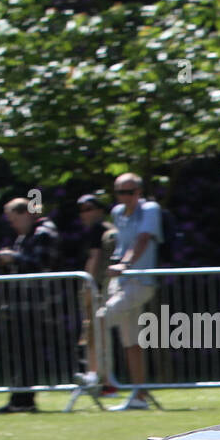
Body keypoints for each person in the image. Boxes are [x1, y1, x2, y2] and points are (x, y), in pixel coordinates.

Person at [98, 172, 163, 410]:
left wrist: (125, 264)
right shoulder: (117, 213)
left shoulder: (150, 209)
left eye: (129, 192)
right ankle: (139, 396)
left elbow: (143, 240)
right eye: (120, 192)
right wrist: (116, 263)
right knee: (132, 341)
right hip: (121, 282)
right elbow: (122, 245)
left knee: (102, 319)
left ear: (138, 192)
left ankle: (99, 377)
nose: (124, 197)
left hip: (140, 282)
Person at [0, 198, 62, 412]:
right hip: (21, 305)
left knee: (27, 354)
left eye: (14, 220)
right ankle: (19, 399)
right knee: (20, 353)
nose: (13, 225)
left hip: (36, 305)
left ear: (26, 214)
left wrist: (13, 257)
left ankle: (23, 400)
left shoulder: (44, 233)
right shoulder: (26, 236)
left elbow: (40, 264)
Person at [76, 193, 118, 390]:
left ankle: (100, 382)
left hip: (99, 289)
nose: (84, 214)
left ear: (100, 210)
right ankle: (104, 381)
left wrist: (87, 287)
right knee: (100, 335)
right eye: (82, 210)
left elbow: (94, 259)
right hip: (110, 288)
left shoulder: (97, 230)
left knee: (94, 335)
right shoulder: (110, 229)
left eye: (89, 208)